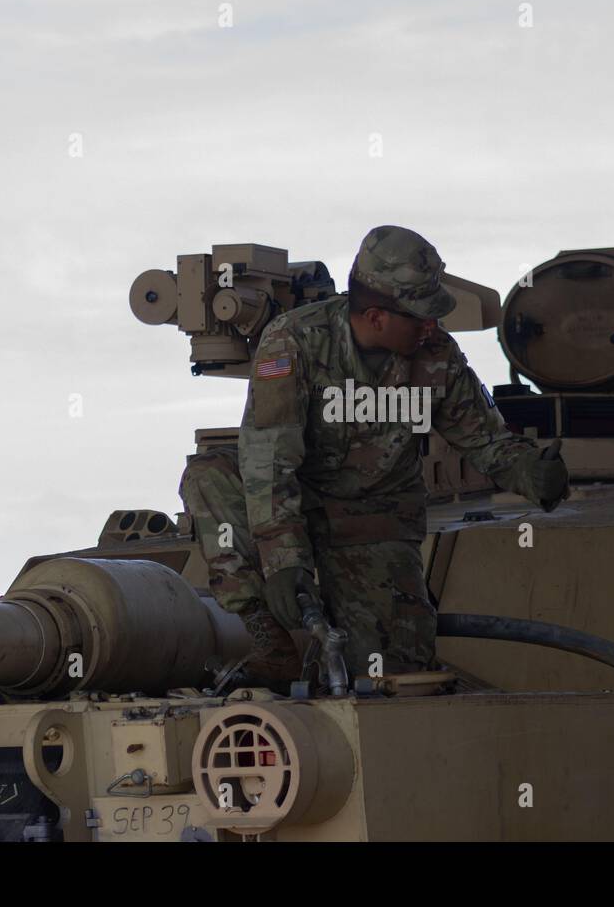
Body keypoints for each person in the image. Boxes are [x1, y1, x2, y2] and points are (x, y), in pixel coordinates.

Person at [180, 225, 568, 689]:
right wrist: (284, 562)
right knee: (211, 476)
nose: (431, 325)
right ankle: (270, 638)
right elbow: (269, 463)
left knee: (393, 677)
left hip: (375, 521)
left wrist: (530, 470)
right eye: (419, 316)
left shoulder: (437, 354)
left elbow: (483, 439)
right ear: (376, 316)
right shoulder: (295, 342)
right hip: (295, 508)